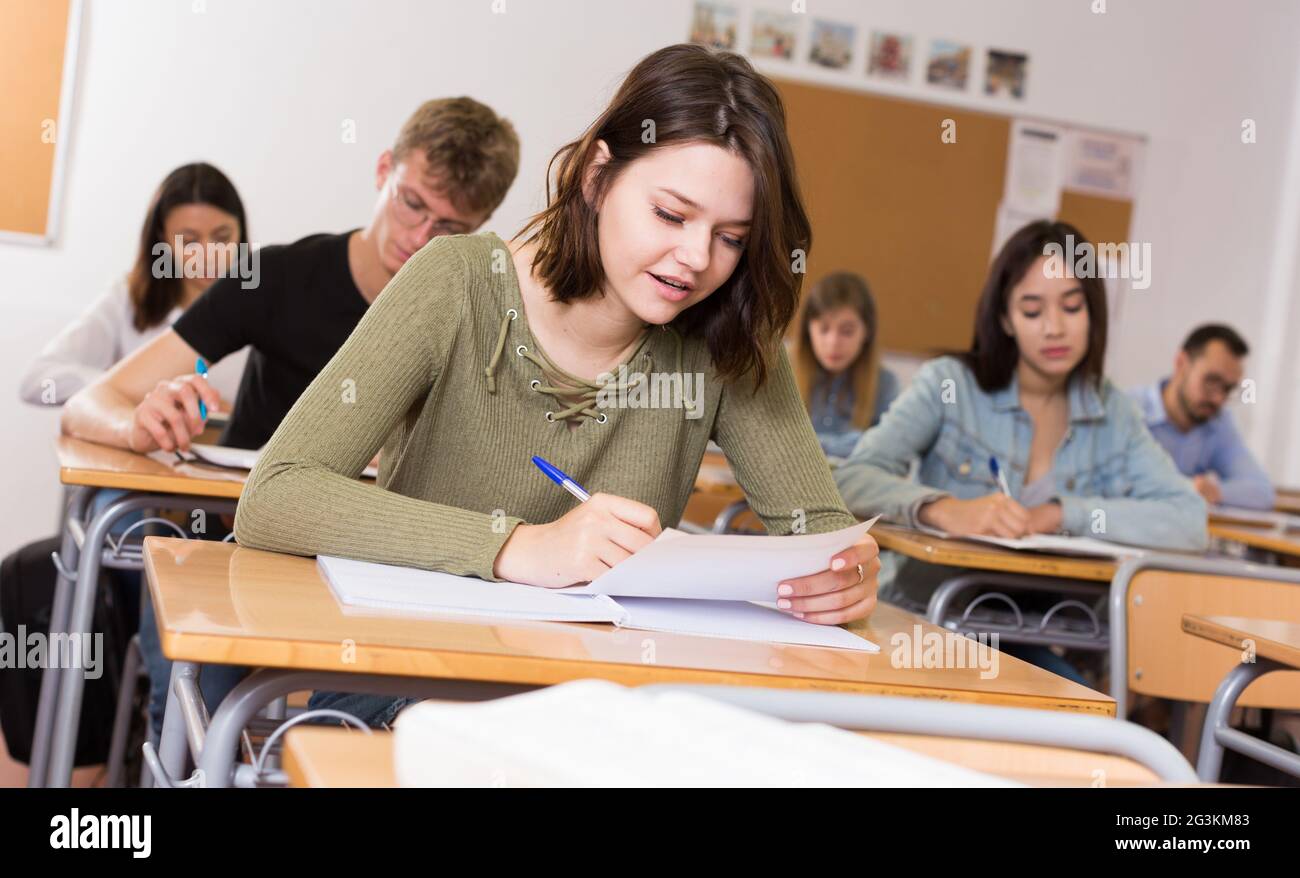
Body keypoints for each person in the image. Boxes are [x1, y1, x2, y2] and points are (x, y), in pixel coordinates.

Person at [234, 43, 881, 728]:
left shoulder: (727, 335)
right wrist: (518, 547)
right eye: (671, 215)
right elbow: (276, 494)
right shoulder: (454, 283)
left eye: (730, 237)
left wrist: (843, 576)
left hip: (601, 697)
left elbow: (822, 532)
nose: (696, 259)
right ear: (598, 177)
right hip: (412, 674)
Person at [59, 97, 521, 739]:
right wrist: (135, 424)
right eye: (413, 203)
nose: (420, 239)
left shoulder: (475, 319)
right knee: (206, 716)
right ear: (384, 168)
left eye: (450, 227)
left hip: (380, 568)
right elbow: (90, 402)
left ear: (483, 226)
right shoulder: (277, 276)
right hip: (234, 545)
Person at [834, 220, 1206, 684]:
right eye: (1032, 312)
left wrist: (1060, 513)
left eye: (1071, 307)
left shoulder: (1113, 412)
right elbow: (851, 478)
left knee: (1077, 699)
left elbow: (1190, 521)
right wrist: (943, 510)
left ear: (1093, 312)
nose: (1054, 328)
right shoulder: (950, 384)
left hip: (1039, 632)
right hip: (927, 619)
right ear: (1006, 320)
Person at [20, 162, 249, 407]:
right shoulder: (129, 299)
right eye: (190, 241)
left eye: (222, 237)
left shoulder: (261, 304)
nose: (209, 254)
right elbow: (37, 381)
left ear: (240, 233)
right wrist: (125, 389)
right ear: (163, 239)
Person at [1129, 324, 1275, 510]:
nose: (1219, 398)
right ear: (1181, 363)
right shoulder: (1127, 410)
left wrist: (1212, 490)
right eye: (1212, 381)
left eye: (1228, 389)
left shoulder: (1218, 422)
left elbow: (1262, 491)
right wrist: (1183, 488)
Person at [791, 271, 899, 460]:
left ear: (867, 332)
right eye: (824, 329)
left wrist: (811, 445)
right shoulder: (784, 375)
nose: (833, 343)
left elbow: (885, 447)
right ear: (808, 330)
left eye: (847, 332)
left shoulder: (885, 384)